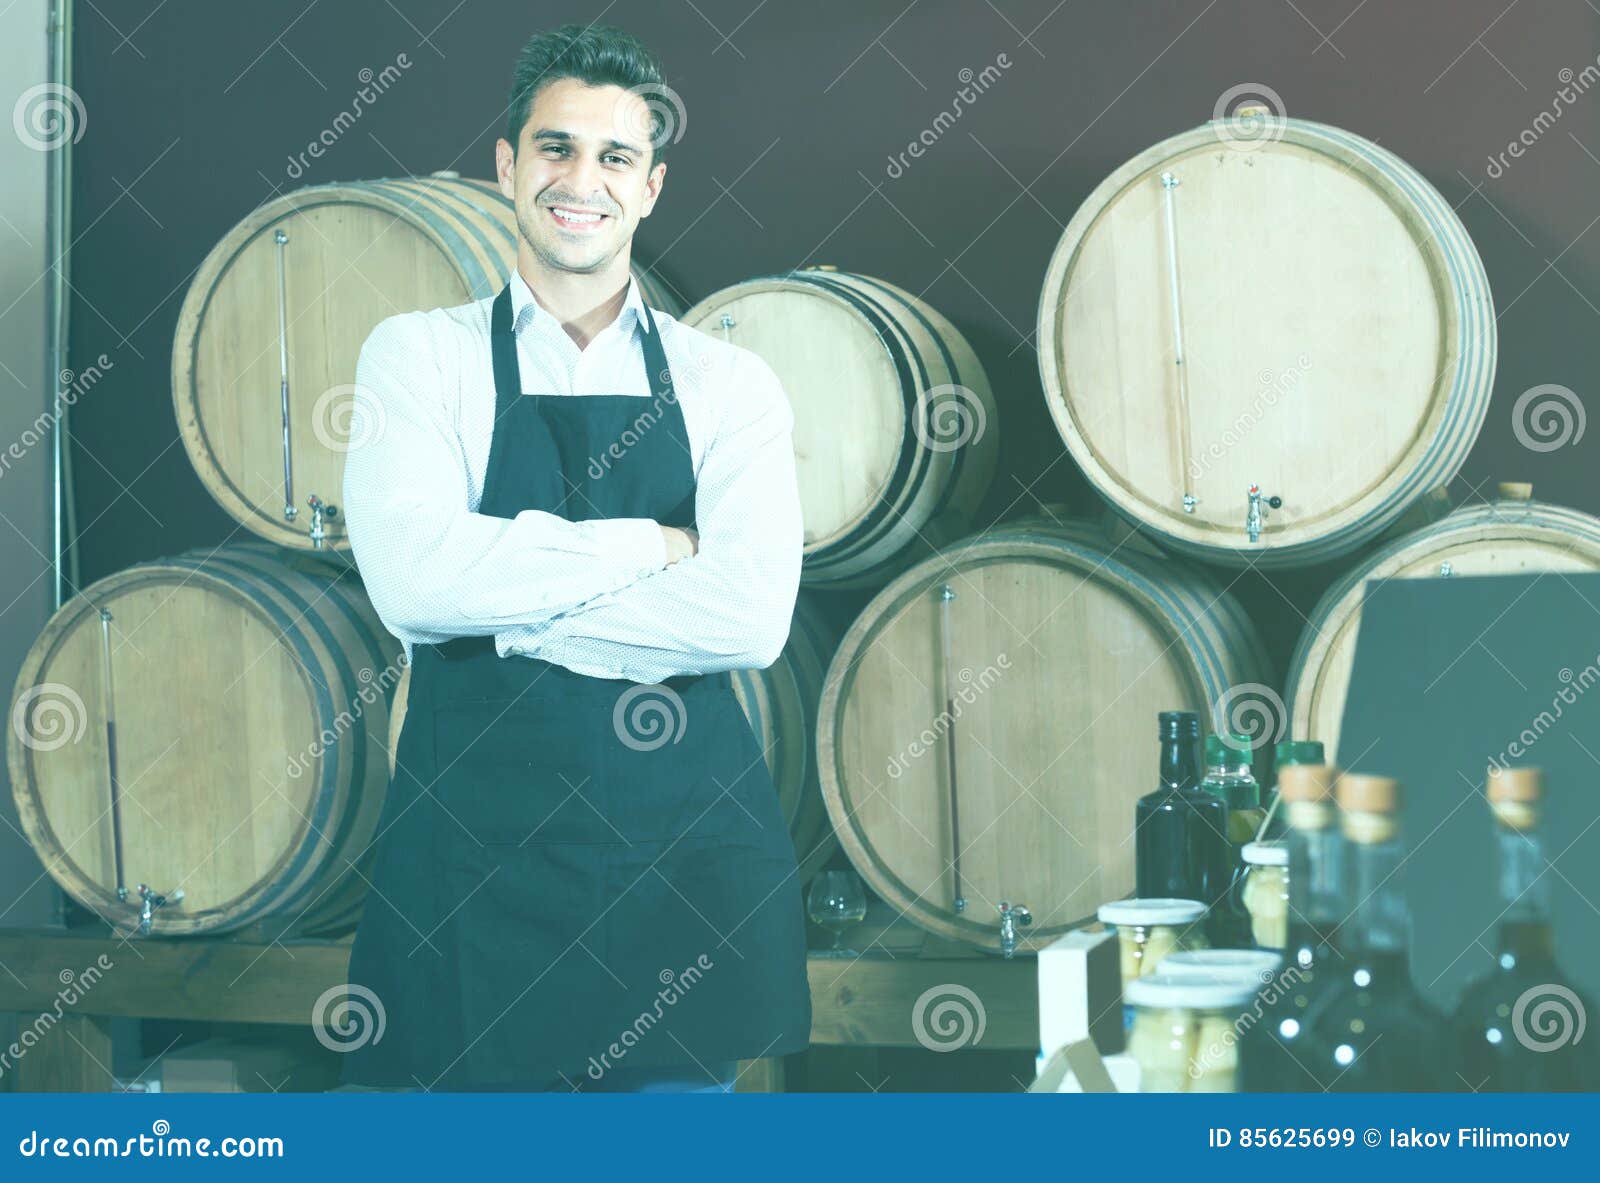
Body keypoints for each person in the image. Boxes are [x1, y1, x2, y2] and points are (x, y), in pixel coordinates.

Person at [334, 22, 810, 1094]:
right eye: (553, 148)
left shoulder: (729, 383)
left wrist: (499, 609)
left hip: (676, 862)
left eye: (614, 158)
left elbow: (744, 617)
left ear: (650, 188)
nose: (578, 180)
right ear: (506, 165)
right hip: (472, 862)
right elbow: (412, 581)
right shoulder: (418, 354)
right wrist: (651, 546)